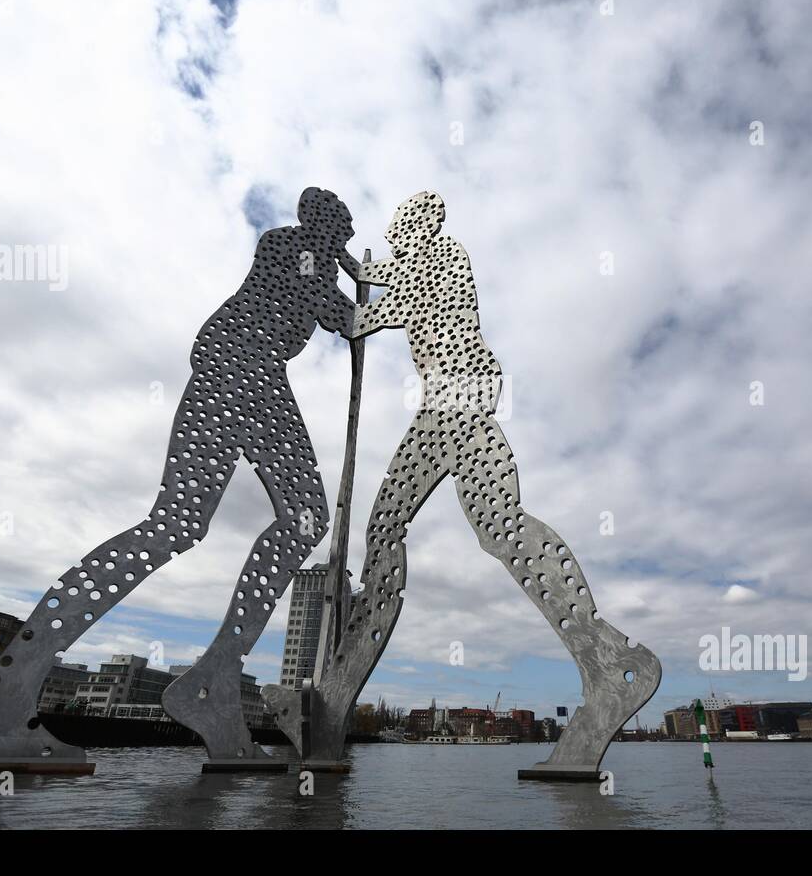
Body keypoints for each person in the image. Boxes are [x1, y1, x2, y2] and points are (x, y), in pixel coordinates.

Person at [0, 188, 359, 763]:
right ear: (319, 226)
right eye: (340, 232)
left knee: (198, 524)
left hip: (244, 369)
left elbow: (347, 316)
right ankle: (5, 701)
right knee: (270, 519)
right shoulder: (288, 250)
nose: (344, 243)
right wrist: (365, 279)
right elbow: (342, 313)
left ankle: (210, 687)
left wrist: (359, 284)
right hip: (243, 367)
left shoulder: (315, 261)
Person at [278, 190, 661, 769]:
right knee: (495, 527)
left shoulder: (435, 261)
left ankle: (610, 664)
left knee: (402, 530)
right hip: (453, 400)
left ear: (419, 229)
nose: (399, 238)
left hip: (453, 403)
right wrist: (349, 263)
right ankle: (609, 663)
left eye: (402, 229)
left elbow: (358, 319)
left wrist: (316, 272)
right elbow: (374, 273)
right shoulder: (430, 259)